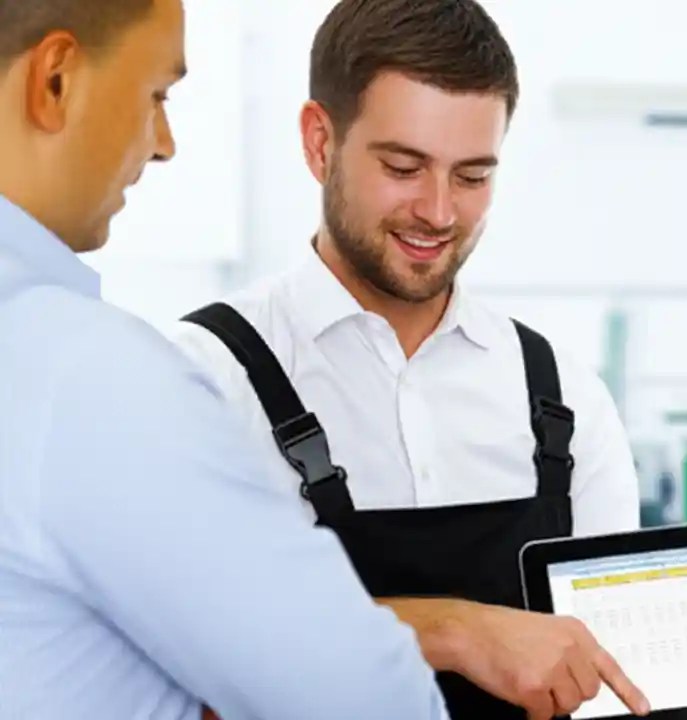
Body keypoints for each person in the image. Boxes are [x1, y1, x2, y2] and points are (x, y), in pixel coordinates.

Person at [167, 1, 687, 719]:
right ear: (318, 142)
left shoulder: (564, 397)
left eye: (472, 177)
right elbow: (186, 653)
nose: (438, 212)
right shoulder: (204, 380)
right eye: (404, 167)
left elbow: (608, 690)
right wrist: (457, 632)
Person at [0, 0, 452, 718]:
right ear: (54, 81)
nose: (163, 143)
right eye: (157, 94)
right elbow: (371, 700)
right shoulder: (84, 374)